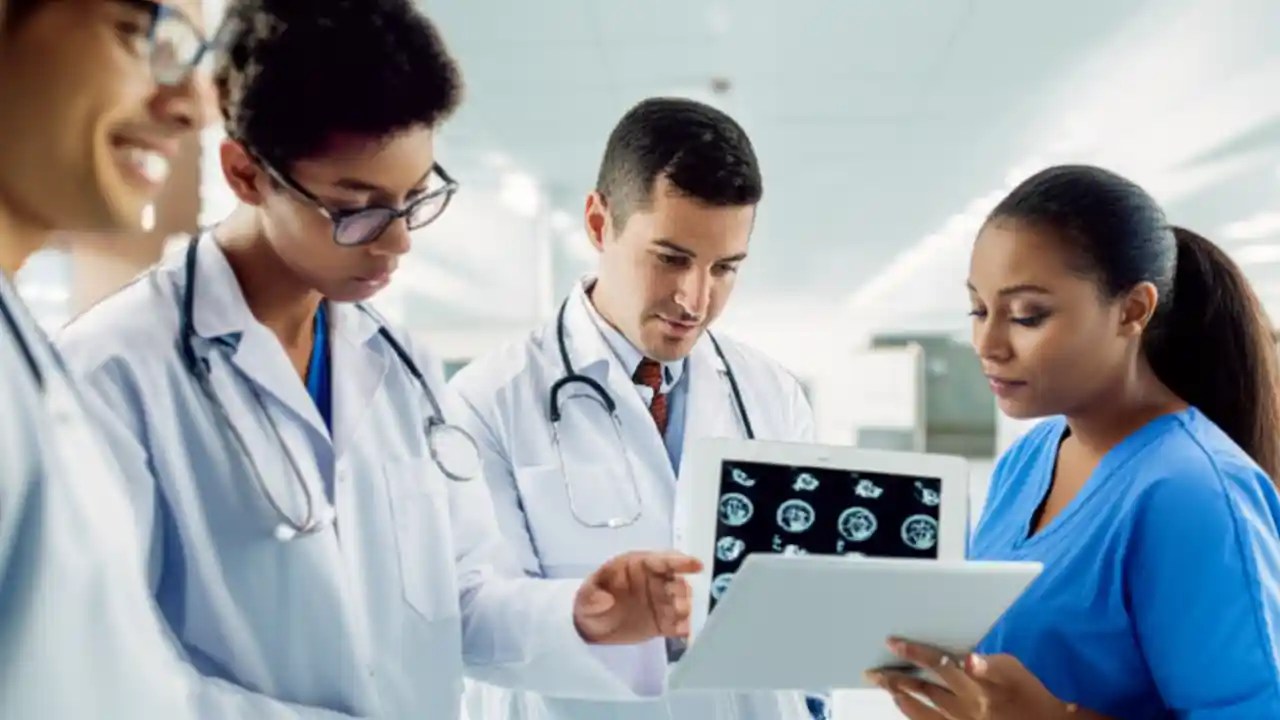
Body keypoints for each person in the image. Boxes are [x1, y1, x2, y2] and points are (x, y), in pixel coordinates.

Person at [56, 2, 700, 718]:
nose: (396, 244)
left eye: (415, 199)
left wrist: (582, 618)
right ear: (245, 174)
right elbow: (94, 666)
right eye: (355, 209)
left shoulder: (403, 369)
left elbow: (458, 600)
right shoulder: (109, 375)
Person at [0, 1, 365, 717]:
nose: (197, 107)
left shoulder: (26, 362)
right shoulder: (105, 359)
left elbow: (109, 683)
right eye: (140, 34)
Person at [448, 97, 819, 720]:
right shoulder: (487, 400)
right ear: (599, 223)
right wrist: (585, 616)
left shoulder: (770, 394)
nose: (695, 299)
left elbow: (805, 604)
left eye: (724, 268)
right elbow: (470, 620)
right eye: (671, 258)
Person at [869, 165, 1280, 719]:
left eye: (1027, 316)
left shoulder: (1193, 492)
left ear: (1133, 310)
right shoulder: (1029, 458)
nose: (988, 344)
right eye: (979, 310)